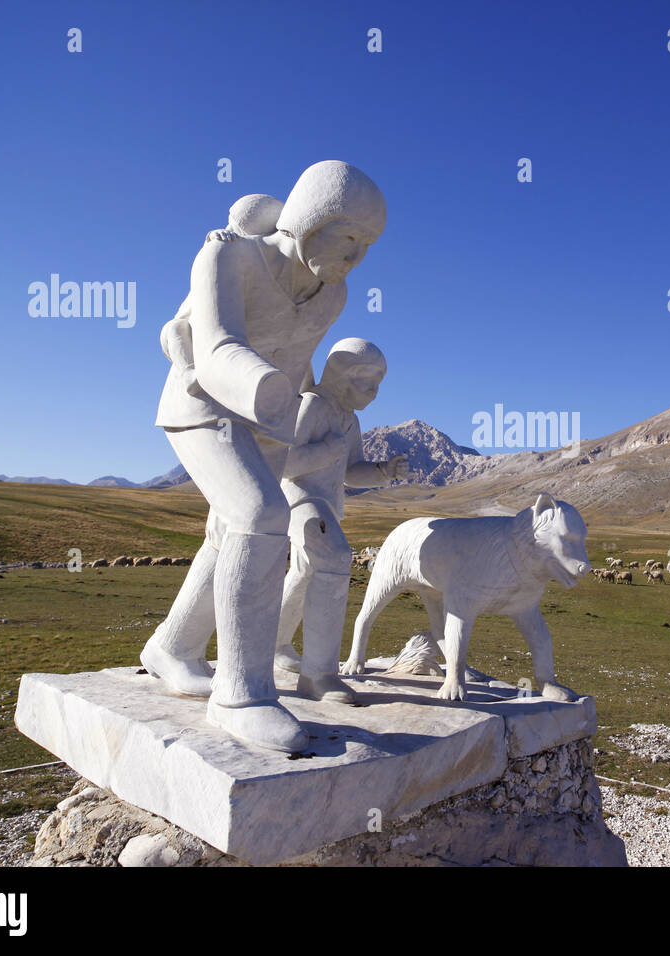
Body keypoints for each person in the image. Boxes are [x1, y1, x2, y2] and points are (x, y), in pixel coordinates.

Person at [140, 161, 385, 753]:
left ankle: (171, 648)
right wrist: (264, 387)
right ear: (309, 217)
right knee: (260, 515)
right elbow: (214, 344)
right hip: (203, 402)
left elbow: (299, 354)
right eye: (348, 236)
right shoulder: (229, 258)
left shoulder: (335, 293)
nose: (356, 257)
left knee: (229, 532)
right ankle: (242, 696)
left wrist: (292, 413)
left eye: (367, 245)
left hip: (270, 418)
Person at [273, 338, 408, 704]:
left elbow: (350, 471)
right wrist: (326, 451)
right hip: (300, 499)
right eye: (368, 385)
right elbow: (283, 464)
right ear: (341, 377)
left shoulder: (350, 419)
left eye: (378, 386)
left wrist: (382, 471)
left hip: (326, 505)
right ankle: (319, 675)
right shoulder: (313, 406)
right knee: (333, 559)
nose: (375, 394)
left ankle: (276, 643)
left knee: (305, 573)